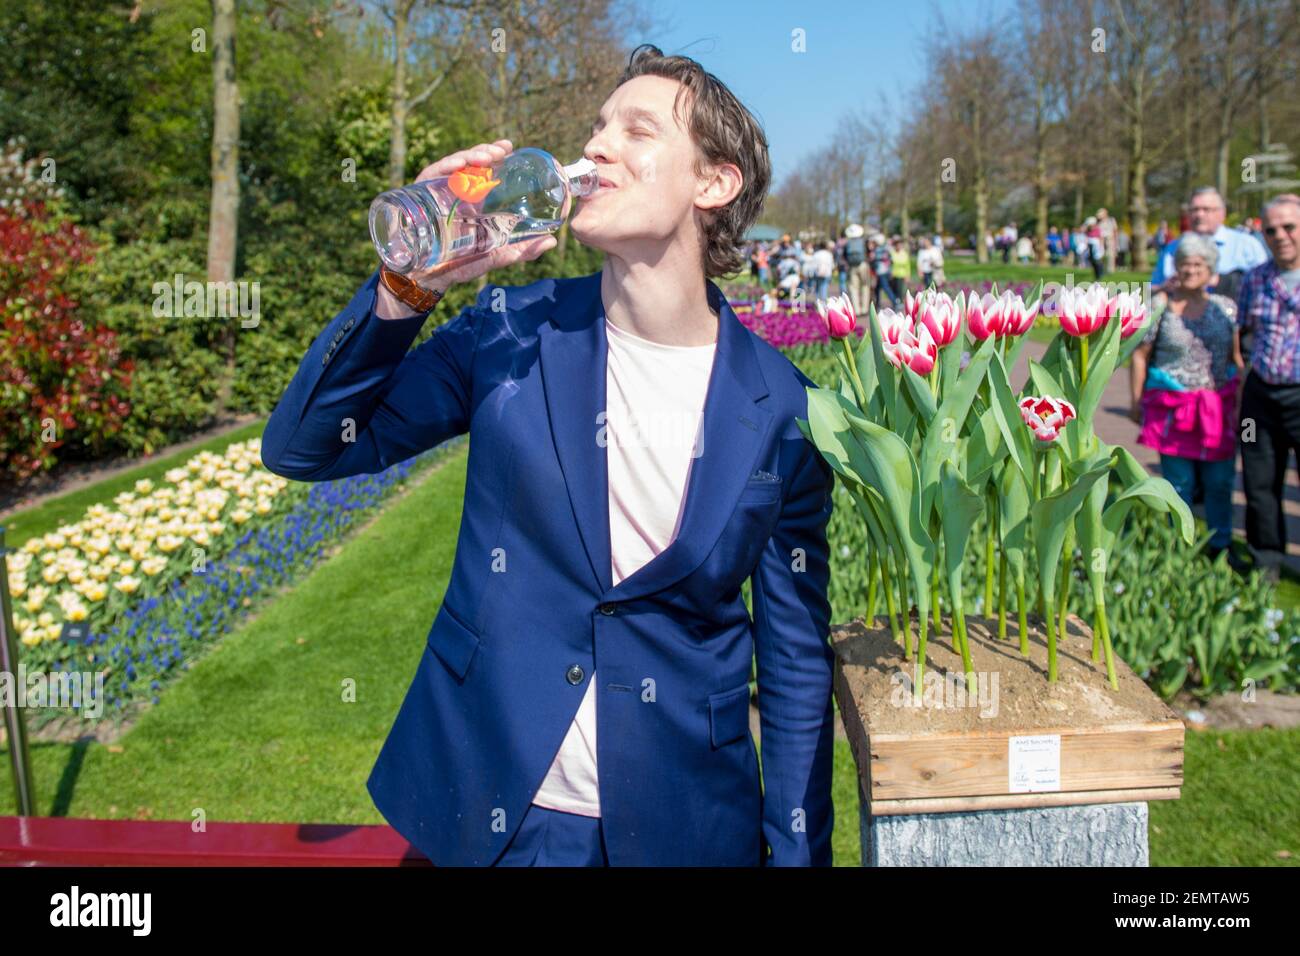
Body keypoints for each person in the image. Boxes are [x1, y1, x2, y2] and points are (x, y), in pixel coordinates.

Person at [260, 43, 836, 867]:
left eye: (635, 130)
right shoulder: (508, 330)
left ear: (713, 184)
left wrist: (798, 855)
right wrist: (405, 284)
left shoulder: (783, 409)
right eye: (597, 125)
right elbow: (304, 447)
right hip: (489, 809)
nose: (596, 145)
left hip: (683, 827)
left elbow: (794, 665)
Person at [1129, 233, 1245, 569]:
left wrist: (1239, 402)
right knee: (1179, 482)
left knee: (1220, 480)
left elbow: (1236, 357)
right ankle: (1178, 544)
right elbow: (1140, 355)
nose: (1191, 270)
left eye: (1198, 264)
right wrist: (1137, 400)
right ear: (1176, 268)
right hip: (1172, 407)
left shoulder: (1225, 308)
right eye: (1185, 264)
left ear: (1211, 270)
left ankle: (1220, 544)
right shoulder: (1159, 306)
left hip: (1216, 407)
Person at [1236, 194, 1300, 577]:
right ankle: (1266, 563)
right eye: (1271, 229)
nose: (1280, 236)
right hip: (1261, 396)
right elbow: (1241, 330)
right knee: (1259, 485)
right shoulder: (1255, 278)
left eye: (1289, 227)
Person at [1151, 187, 1269, 301]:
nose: (1199, 215)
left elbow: (1265, 287)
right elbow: (1150, 291)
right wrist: (1164, 288)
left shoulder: (1246, 245)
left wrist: (1223, 282)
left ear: (1222, 213)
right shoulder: (1172, 248)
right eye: (1194, 210)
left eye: (1206, 209)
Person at [843, 222, 870, 313]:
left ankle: (856, 309)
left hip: (852, 267)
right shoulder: (863, 241)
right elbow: (868, 253)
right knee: (865, 286)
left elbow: (845, 256)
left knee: (854, 288)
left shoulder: (847, 243)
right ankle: (864, 308)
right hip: (863, 264)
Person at [871, 233, 899, 308]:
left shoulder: (878, 250)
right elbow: (891, 260)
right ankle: (877, 304)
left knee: (885, 287)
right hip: (886, 271)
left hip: (880, 272)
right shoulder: (887, 248)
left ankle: (895, 301)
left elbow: (875, 260)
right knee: (877, 288)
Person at [813, 238, 835, 304]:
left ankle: (817, 302)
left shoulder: (816, 254)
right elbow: (832, 265)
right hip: (826, 273)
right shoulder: (829, 254)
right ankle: (823, 302)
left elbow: (813, 264)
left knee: (817, 287)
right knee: (824, 287)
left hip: (817, 273)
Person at [890, 236, 911, 301]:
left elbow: (907, 265)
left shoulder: (904, 254)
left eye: (899, 245)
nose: (898, 246)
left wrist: (907, 275)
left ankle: (900, 301)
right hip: (894, 274)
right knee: (894, 289)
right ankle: (896, 300)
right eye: (896, 245)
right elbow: (890, 264)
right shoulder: (892, 253)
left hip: (902, 274)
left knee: (900, 290)